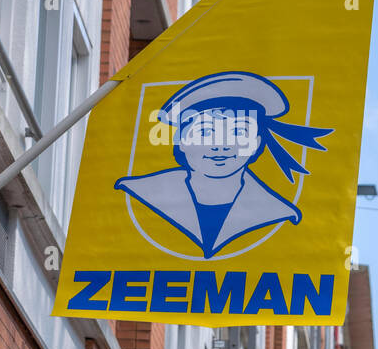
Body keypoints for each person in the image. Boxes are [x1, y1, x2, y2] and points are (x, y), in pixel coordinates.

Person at [115, 71, 333, 258]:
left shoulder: (279, 213)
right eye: (206, 132)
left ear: (257, 143)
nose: (221, 147)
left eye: (238, 132)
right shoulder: (140, 194)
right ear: (180, 141)